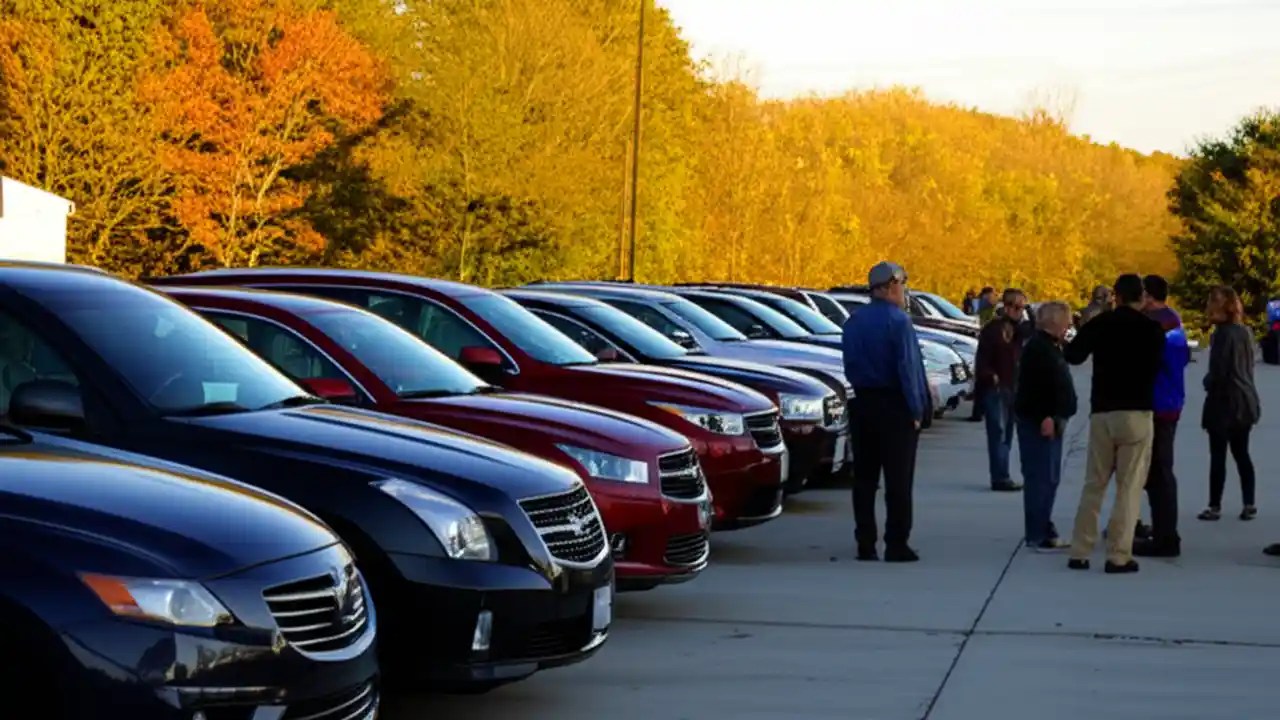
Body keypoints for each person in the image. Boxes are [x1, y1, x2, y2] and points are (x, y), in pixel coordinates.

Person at [1063, 274, 1164, 574]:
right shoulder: (1152, 330)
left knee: (1094, 484)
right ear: (1141, 296)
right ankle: (1118, 554)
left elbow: (1073, 355)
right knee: (1129, 487)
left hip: (1103, 411)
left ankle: (1080, 550)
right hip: (1137, 412)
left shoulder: (1100, 324)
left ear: (1115, 296)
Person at [843, 261, 928, 563]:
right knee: (898, 480)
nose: (904, 291)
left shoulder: (853, 322)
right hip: (895, 407)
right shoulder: (899, 321)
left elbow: (849, 366)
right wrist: (917, 409)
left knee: (865, 479)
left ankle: (865, 542)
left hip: (863, 404)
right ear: (891, 286)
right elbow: (907, 369)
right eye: (902, 285)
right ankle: (896, 543)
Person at [1132, 275, 1190, 558]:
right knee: (1155, 470)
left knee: (1158, 471)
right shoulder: (1172, 320)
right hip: (1168, 400)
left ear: (1149, 296)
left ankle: (1166, 537)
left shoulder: (1158, 324)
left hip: (1158, 403)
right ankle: (1158, 529)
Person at [1014, 302, 1078, 551]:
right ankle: (1037, 533)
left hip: (1052, 418)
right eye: (1066, 321)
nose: (1069, 325)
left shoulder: (1050, 346)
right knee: (1040, 478)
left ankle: (1044, 526)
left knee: (1049, 477)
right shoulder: (1038, 349)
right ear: (1054, 322)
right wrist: (1046, 416)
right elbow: (1034, 387)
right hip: (1040, 422)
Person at [1197, 286, 1261, 523]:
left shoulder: (1222, 334)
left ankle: (1215, 505)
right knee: (1242, 452)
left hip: (1224, 401)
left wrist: (1208, 382)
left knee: (1218, 455)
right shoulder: (1244, 332)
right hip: (1245, 398)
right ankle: (1249, 502)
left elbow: (1219, 371)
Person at [974, 288, 1028, 492]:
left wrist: (1026, 312)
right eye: (1015, 307)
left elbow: (1033, 330)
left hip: (1013, 387)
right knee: (998, 432)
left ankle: (1002, 474)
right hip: (996, 387)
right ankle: (1000, 477)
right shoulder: (993, 330)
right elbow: (982, 359)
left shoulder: (1020, 331)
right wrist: (990, 376)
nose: (1018, 311)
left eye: (1021, 307)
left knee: (1007, 433)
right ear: (1005, 306)